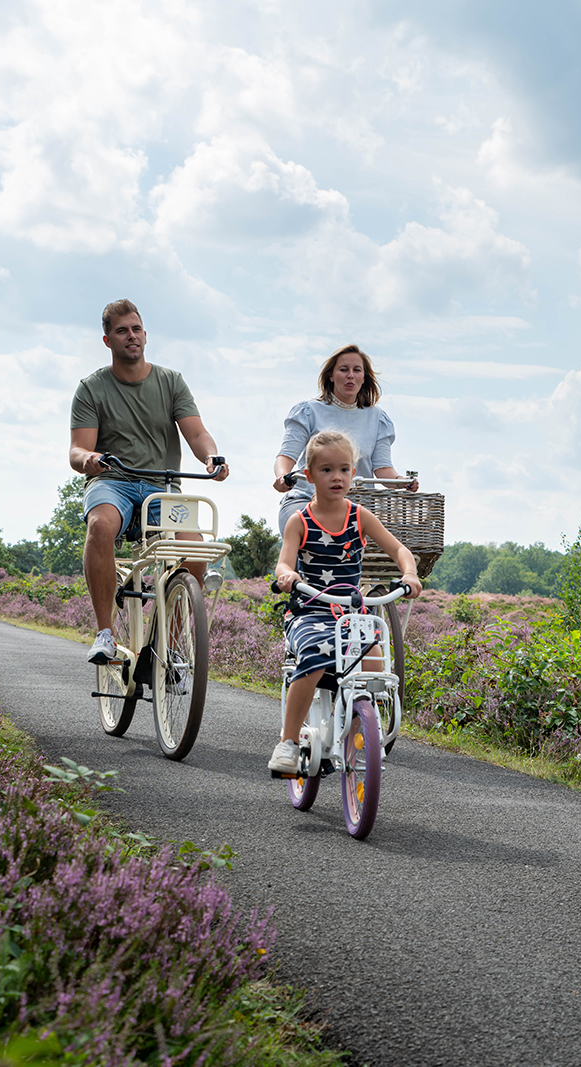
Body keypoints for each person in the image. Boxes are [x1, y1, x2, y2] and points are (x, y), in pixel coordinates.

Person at [70, 298, 230, 665]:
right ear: (107, 340)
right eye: (122, 331)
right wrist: (90, 459)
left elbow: (197, 434)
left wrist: (211, 457)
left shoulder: (170, 382)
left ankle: (167, 647)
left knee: (195, 552)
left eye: (136, 329)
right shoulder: (91, 388)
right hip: (113, 481)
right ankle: (105, 633)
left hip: (162, 486)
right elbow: (77, 451)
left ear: (145, 335)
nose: (131, 336)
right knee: (100, 525)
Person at [267, 429, 421, 774]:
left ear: (353, 473)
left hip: (350, 614)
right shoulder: (299, 521)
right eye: (326, 470)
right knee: (313, 656)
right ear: (309, 476)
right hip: (310, 611)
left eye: (344, 469)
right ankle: (288, 742)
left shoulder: (360, 516)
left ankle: (353, 725)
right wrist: (287, 575)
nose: (336, 477)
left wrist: (409, 573)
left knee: (375, 666)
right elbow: (284, 562)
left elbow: (398, 549)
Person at [271, 344, 417, 533]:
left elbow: (383, 469)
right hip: (308, 499)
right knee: (307, 528)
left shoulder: (378, 419)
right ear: (331, 376)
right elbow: (286, 456)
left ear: (364, 377)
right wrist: (283, 477)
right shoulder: (308, 411)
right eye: (343, 369)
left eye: (357, 370)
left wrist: (402, 481)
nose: (350, 375)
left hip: (358, 506)